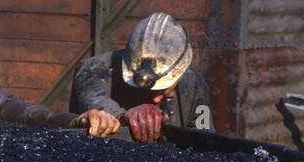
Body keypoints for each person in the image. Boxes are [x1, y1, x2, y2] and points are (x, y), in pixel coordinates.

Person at [69, 12, 211, 141]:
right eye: (149, 90)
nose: (155, 98)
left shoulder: (194, 83)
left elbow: (205, 135)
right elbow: (93, 102)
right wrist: (122, 117)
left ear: (180, 72)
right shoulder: (93, 69)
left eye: (163, 89)